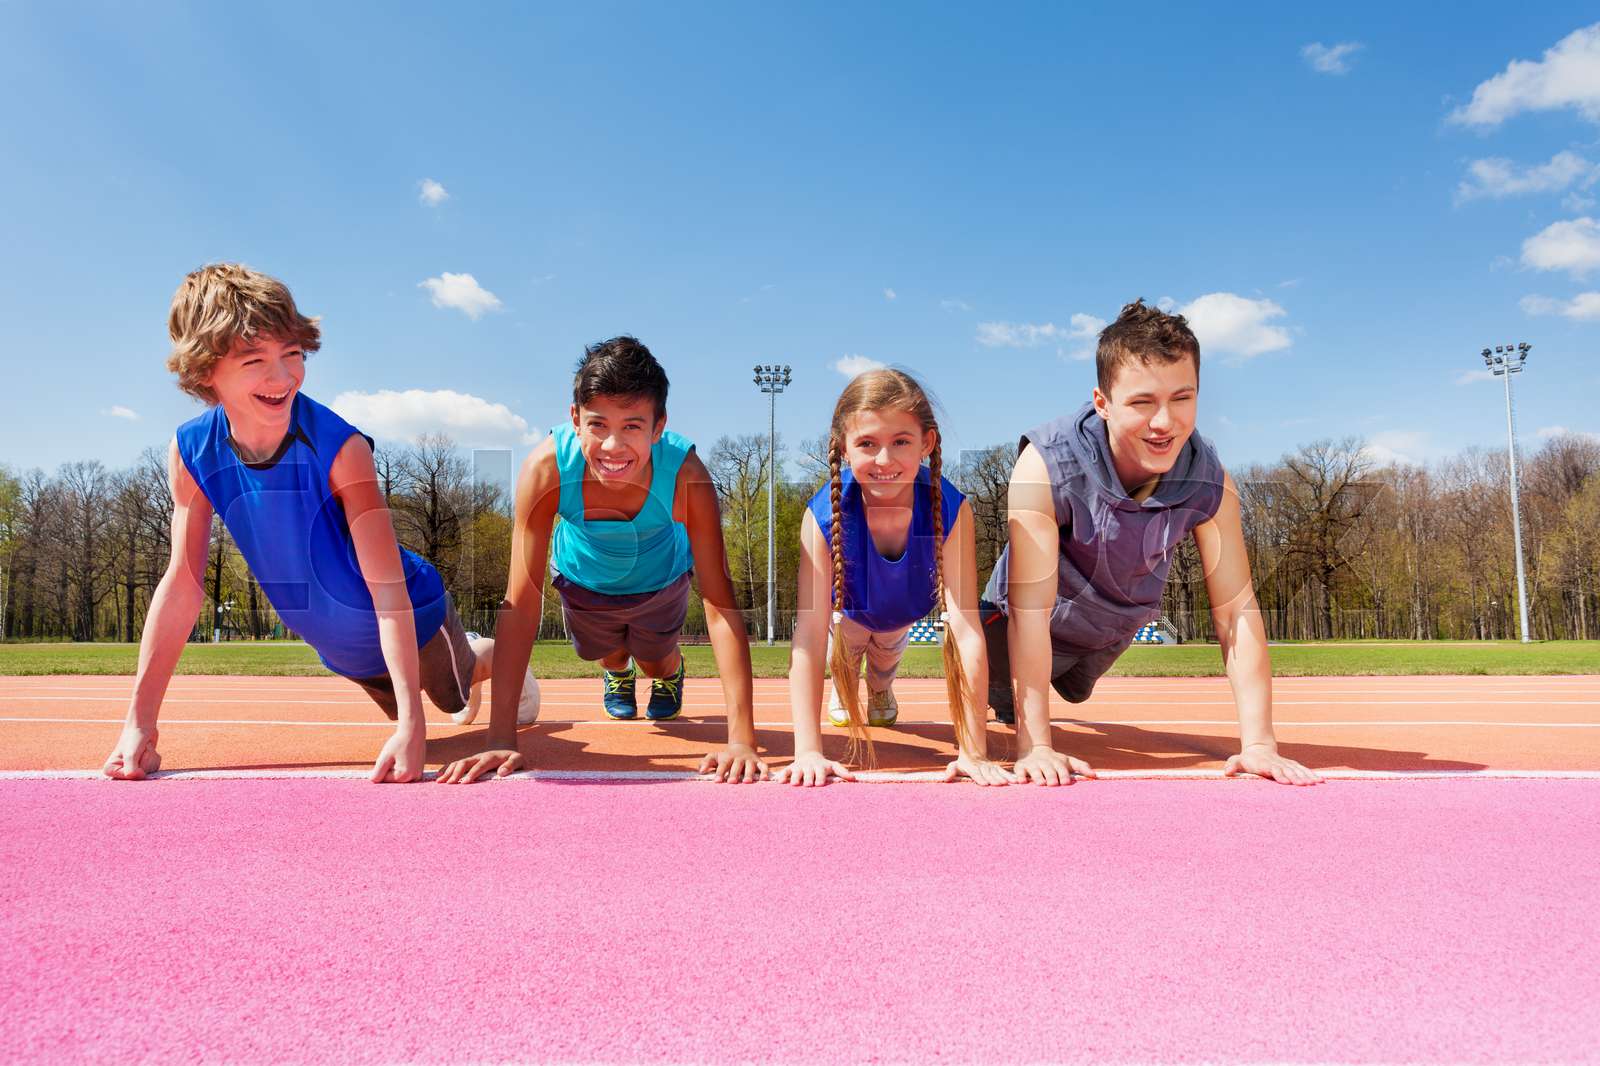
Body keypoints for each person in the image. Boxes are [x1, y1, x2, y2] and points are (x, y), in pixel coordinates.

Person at [102, 264, 535, 784]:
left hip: (410, 613)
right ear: (204, 372)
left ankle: (487, 657)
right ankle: (449, 673)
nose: (282, 377)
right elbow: (183, 582)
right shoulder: (191, 451)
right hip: (343, 649)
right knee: (405, 712)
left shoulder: (340, 448)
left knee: (447, 701)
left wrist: (412, 726)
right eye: (255, 360)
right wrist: (139, 722)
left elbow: (387, 586)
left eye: (292, 354)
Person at [984, 299, 1322, 787]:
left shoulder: (1210, 482)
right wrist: (1036, 745)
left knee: (1072, 693)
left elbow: (1235, 611)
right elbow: (1030, 608)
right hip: (1016, 620)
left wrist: (1260, 745)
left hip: (1107, 624)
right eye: (1143, 402)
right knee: (980, 707)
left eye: (1182, 399)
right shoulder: (1045, 465)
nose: (1164, 423)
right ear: (1102, 403)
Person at [436, 336, 766, 784]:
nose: (613, 446)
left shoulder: (686, 475)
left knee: (654, 657)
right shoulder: (547, 469)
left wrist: (742, 740)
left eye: (632, 426)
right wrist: (500, 738)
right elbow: (521, 599)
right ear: (575, 419)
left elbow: (720, 603)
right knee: (606, 652)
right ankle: (617, 672)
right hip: (582, 580)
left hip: (661, 580)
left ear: (658, 427)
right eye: (598, 425)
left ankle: (667, 672)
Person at [777, 369, 1012, 786]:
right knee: (844, 654)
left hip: (905, 610)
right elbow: (809, 632)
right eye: (867, 444)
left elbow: (966, 627)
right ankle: (846, 682)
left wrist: (973, 752)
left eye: (900, 441)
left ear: (927, 443)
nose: (884, 461)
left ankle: (881, 688)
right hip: (851, 612)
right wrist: (807, 752)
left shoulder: (953, 508)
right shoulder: (821, 516)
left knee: (884, 661)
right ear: (843, 449)